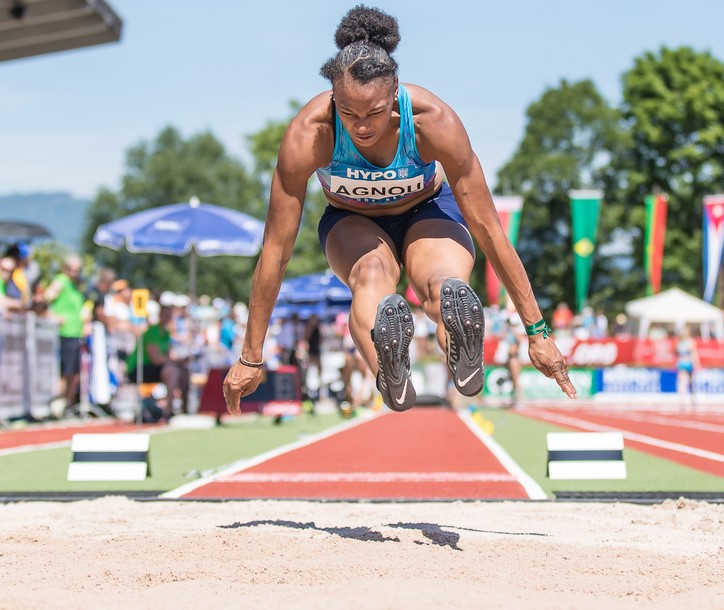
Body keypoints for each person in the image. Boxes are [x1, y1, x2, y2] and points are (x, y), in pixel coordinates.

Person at [223, 5, 575, 415]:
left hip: (428, 210)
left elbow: (490, 231)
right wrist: (251, 356)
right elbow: (276, 249)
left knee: (442, 284)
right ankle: (390, 371)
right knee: (370, 276)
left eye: (374, 112)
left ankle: (460, 345)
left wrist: (538, 331)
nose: (361, 127)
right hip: (352, 220)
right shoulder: (310, 134)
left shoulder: (432, 122)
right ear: (333, 96)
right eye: (348, 113)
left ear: (395, 92)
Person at [125, 304, 190, 419]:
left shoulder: (166, 334)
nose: (166, 318)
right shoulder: (152, 332)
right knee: (172, 371)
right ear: (160, 316)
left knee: (183, 372)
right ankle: (169, 409)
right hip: (139, 368)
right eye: (164, 315)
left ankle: (185, 409)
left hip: (155, 368)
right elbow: (156, 359)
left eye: (168, 315)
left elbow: (167, 357)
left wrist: (179, 362)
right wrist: (176, 362)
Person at [42, 254, 86, 417]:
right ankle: (57, 406)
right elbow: (45, 299)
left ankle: (67, 406)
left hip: (75, 333)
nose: (74, 272)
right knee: (65, 373)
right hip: (64, 333)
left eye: (77, 269)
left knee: (74, 374)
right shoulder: (60, 280)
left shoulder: (75, 286)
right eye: (71, 269)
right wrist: (51, 315)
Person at [675, 326, 701, 410]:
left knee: (682, 383)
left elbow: (677, 353)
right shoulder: (691, 342)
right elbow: (694, 354)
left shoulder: (680, 342)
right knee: (691, 383)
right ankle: (692, 400)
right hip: (689, 363)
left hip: (681, 363)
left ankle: (682, 401)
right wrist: (696, 364)